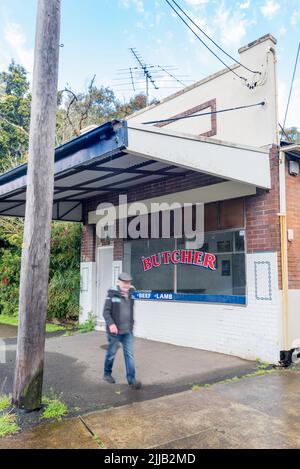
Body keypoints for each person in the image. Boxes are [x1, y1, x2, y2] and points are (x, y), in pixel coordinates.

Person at [103, 272, 142, 389]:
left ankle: (132, 380)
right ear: (119, 282)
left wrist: (132, 323)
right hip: (115, 332)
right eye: (124, 283)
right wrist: (111, 324)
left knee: (129, 355)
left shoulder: (131, 294)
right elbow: (106, 312)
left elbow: (130, 311)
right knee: (111, 354)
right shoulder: (112, 294)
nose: (126, 285)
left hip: (127, 331)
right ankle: (106, 373)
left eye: (128, 283)